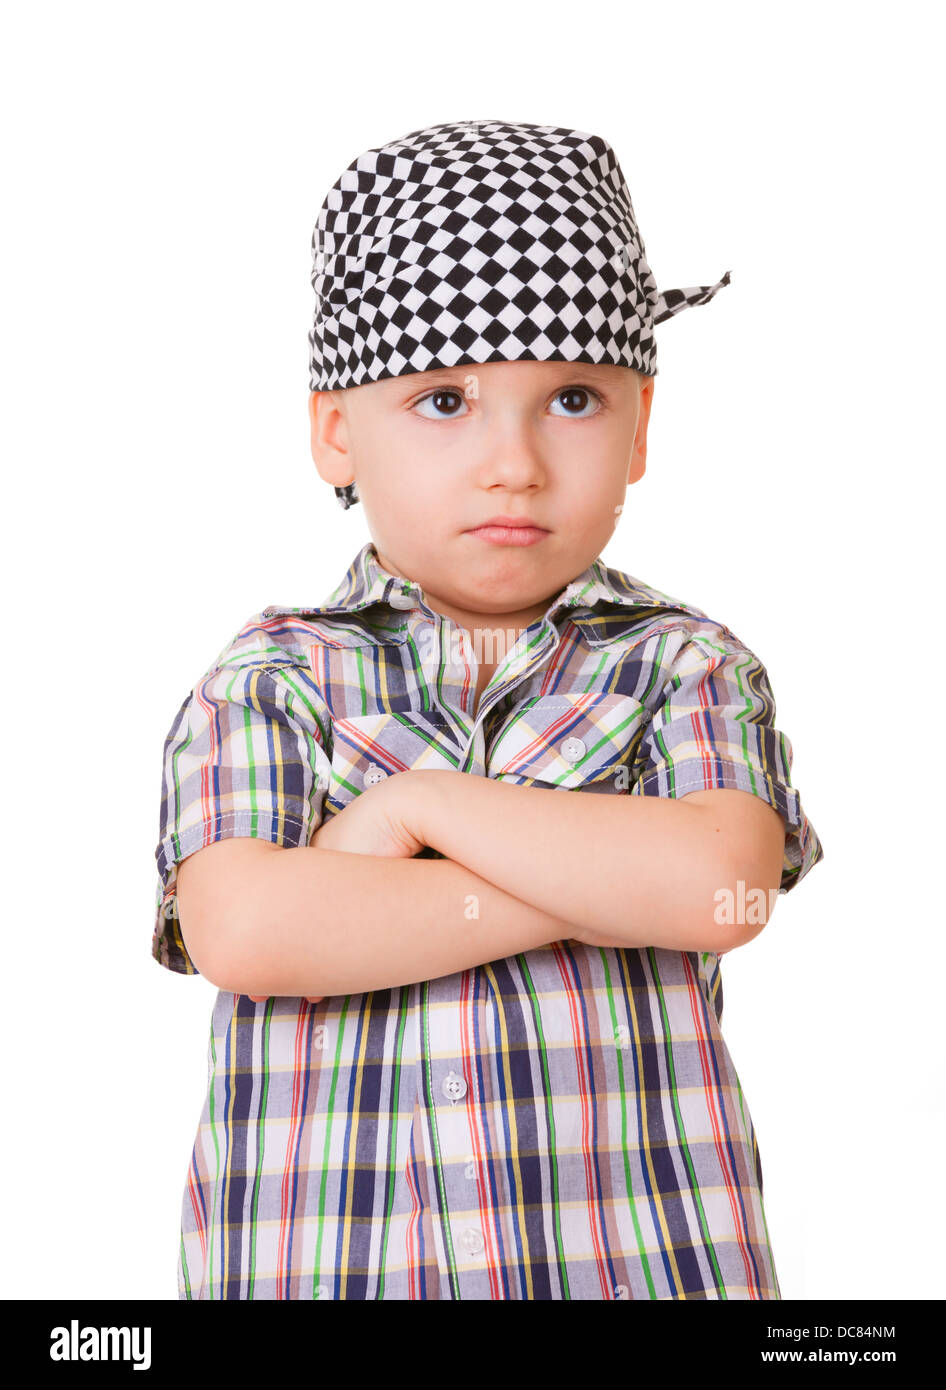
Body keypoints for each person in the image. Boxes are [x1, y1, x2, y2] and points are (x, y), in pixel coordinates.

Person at [152, 118, 824, 1300]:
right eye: (444, 399)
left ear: (642, 429)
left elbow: (722, 889)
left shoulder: (683, 664)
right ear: (334, 431)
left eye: (572, 397)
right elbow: (250, 933)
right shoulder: (270, 678)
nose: (513, 460)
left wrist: (423, 805)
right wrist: (597, 882)